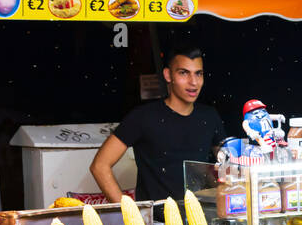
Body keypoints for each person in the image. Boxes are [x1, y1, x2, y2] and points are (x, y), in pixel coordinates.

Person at [91, 44, 226, 206]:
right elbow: (100, 165)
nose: (193, 82)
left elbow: (226, 167)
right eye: (184, 73)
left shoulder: (210, 116)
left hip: (202, 219)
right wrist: (130, 214)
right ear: (168, 75)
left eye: (199, 74)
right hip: (156, 223)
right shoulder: (143, 117)